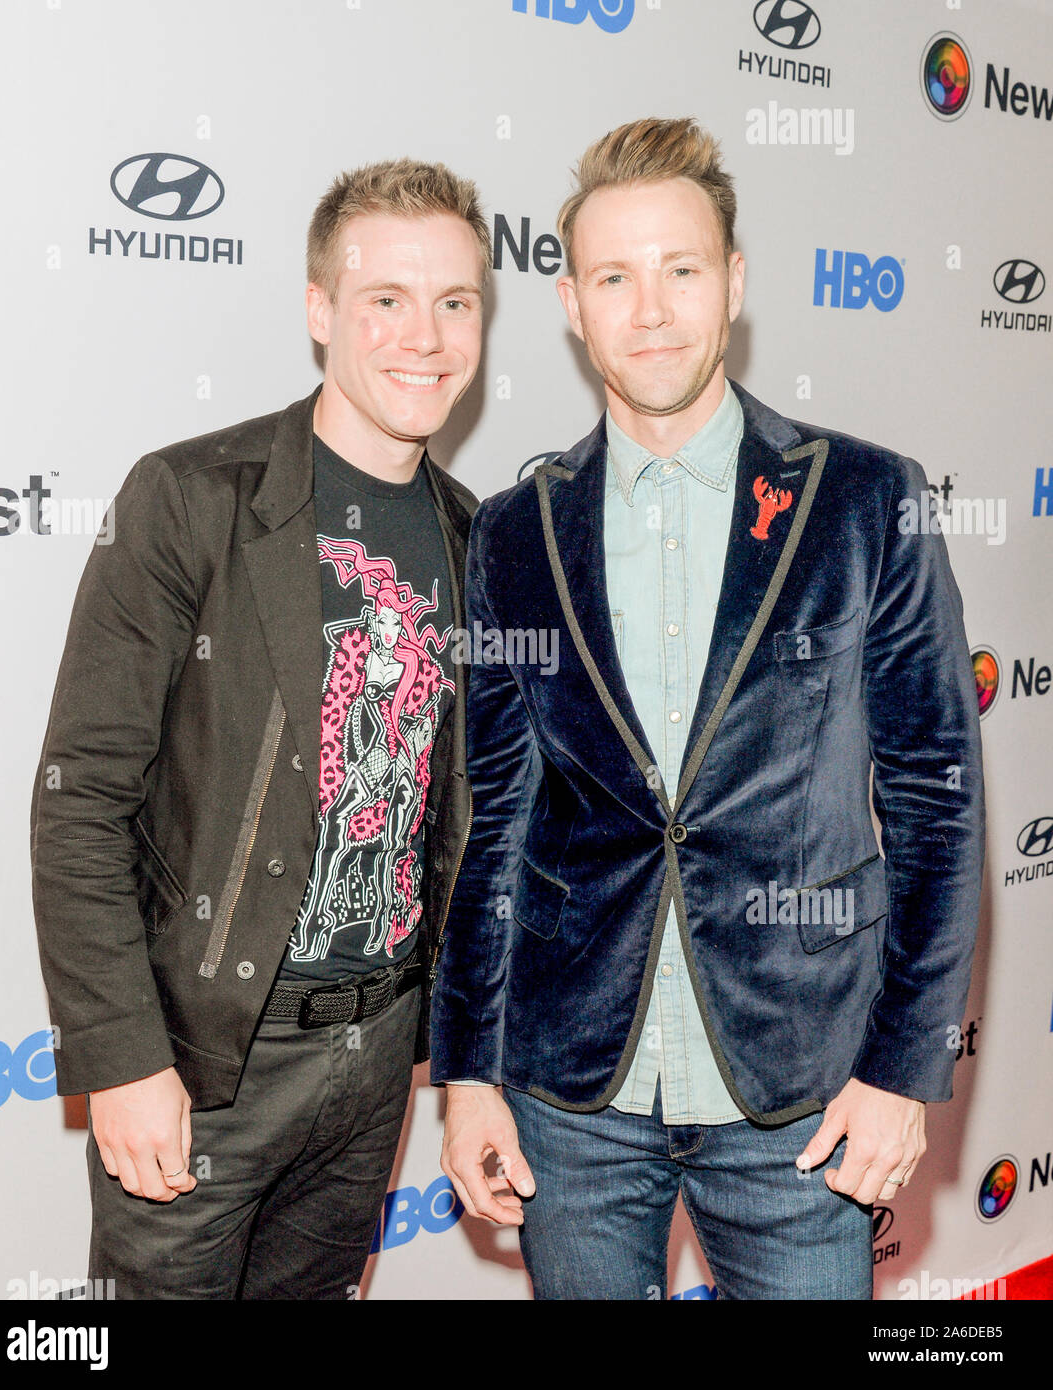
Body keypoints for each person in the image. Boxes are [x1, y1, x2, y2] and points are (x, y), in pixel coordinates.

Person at [431, 117, 984, 1300]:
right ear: (572, 303)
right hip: (569, 1099)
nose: (650, 309)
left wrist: (904, 1067)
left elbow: (937, 804)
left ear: (732, 284)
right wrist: (467, 1070)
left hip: (803, 1095)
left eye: (680, 269)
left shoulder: (864, 500)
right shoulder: (517, 534)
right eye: (614, 277)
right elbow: (495, 822)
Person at [30, 158, 487, 1299]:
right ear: (320, 309)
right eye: (385, 298)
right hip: (205, 1057)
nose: (421, 337)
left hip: (375, 1055)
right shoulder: (195, 498)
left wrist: (455, 1045)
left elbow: (460, 819)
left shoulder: (479, 537)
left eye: (454, 302)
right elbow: (80, 797)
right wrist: (126, 1059)